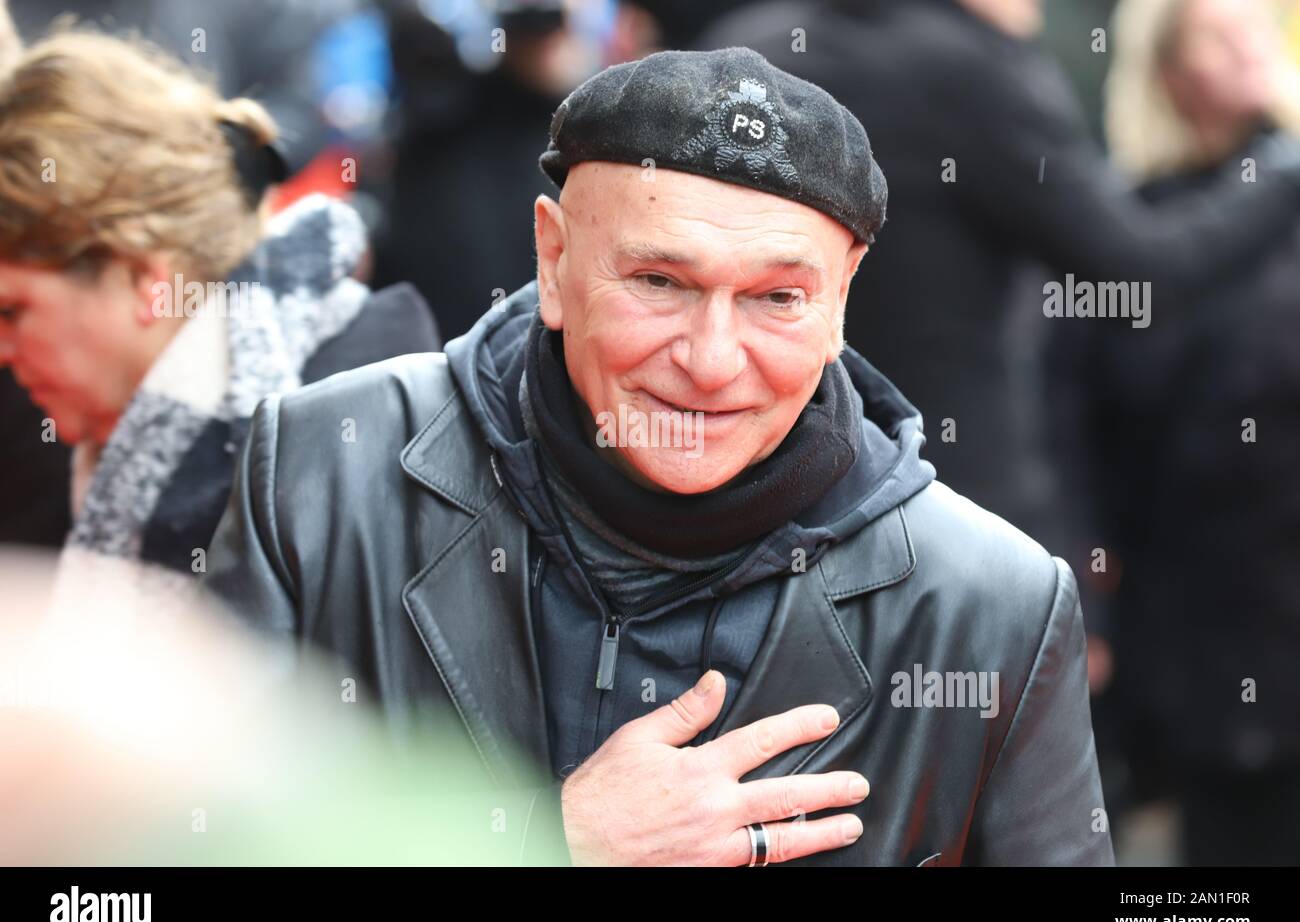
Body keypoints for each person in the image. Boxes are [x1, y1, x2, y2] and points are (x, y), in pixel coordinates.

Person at [207, 47, 1112, 866]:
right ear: (553, 261)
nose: (711, 362)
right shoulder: (320, 470)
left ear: (840, 301)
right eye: (658, 282)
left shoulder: (997, 605)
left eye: (778, 298)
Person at [702, 0, 1300, 543]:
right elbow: (1140, 271)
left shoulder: (743, 48)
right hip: (949, 493)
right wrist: (1282, 173)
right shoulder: (973, 71)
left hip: (757, 480)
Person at [0, 29, 440, 575]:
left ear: (143, 279)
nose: (2, 350)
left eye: (10, 311)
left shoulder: (347, 461)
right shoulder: (167, 457)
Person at [1049, 0, 1300, 865]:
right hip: (1185, 602)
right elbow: (1070, 422)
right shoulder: (1126, 228)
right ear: (1168, 71)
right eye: (1217, 39)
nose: (1248, 55)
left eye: (1252, 33)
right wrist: (1091, 598)